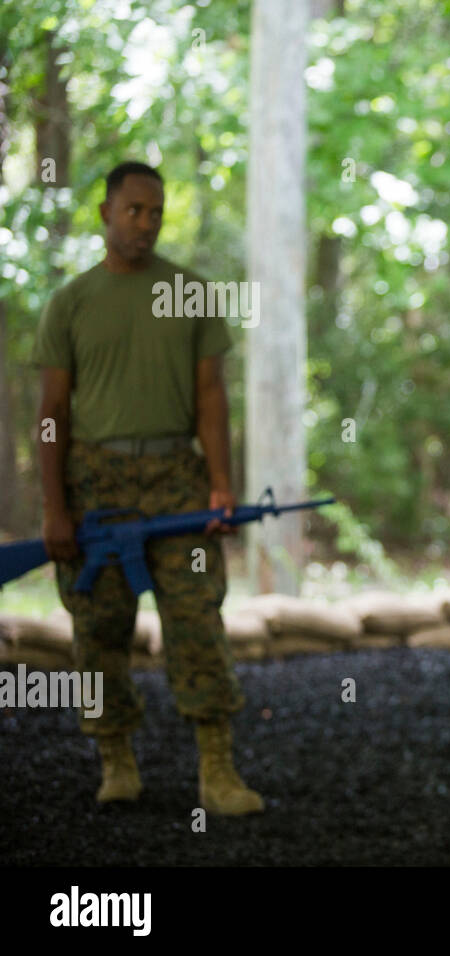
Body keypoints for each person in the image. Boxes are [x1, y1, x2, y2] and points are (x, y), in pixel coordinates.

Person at [32, 160, 262, 815]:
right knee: (98, 627)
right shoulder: (69, 303)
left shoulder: (192, 293)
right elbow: (51, 414)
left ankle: (217, 772)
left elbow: (211, 396)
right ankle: (116, 760)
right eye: (134, 210)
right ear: (104, 212)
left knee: (197, 620)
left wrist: (221, 485)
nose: (146, 222)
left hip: (176, 480)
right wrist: (54, 508)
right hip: (95, 482)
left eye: (156, 212)